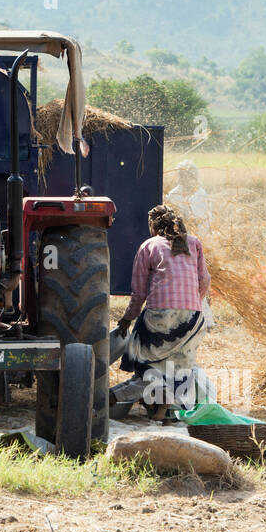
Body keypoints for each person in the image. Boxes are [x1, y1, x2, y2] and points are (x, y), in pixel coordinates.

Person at [110, 205, 214, 418]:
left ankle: (111, 398)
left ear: (154, 226)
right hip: (193, 317)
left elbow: (139, 293)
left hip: (160, 317)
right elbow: (204, 280)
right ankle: (164, 414)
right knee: (179, 368)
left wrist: (126, 319)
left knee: (146, 364)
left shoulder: (149, 246)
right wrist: (193, 302)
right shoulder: (193, 243)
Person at [165, 159, 211, 227]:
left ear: (194, 177)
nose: (184, 179)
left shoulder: (201, 195)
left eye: (188, 176)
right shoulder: (173, 195)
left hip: (199, 232)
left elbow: (207, 219)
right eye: (182, 176)